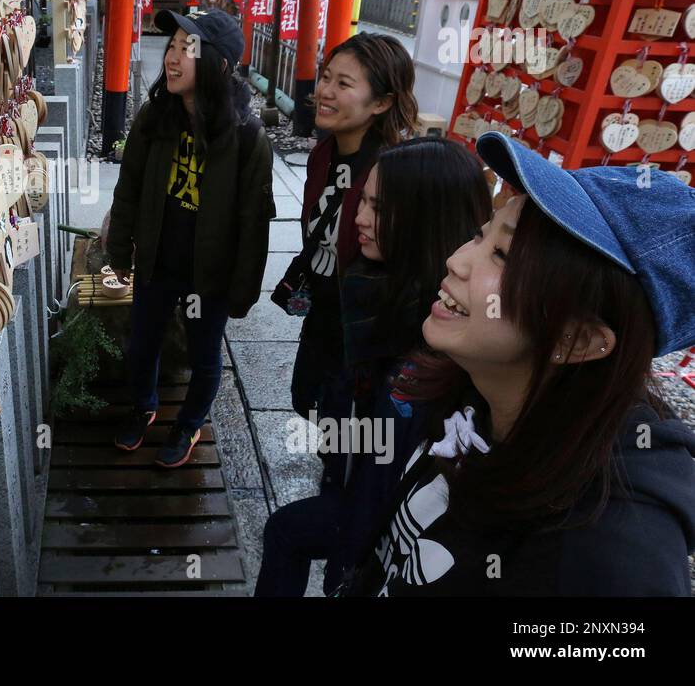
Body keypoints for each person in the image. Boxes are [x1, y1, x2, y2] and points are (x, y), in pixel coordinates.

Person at [341, 131, 695, 596]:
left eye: (503, 255)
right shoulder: (475, 395)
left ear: (581, 339)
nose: (456, 261)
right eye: (480, 236)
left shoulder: (611, 554)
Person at [255, 137, 492, 596]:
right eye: (361, 200)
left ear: (429, 219)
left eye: (378, 208)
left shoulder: (440, 336)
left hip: (377, 514)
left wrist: (351, 563)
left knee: (287, 530)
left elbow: (390, 474)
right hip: (349, 473)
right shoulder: (373, 285)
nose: (360, 219)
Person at [107, 8, 276, 468]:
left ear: (219, 65)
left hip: (211, 272)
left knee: (205, 354)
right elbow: (130, 188)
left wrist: (243, 289)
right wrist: (119, 249)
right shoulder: (154, 116)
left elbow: (254, 221)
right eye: (173, 46)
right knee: (142, 343)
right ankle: (144, 405)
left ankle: (190, 420)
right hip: (160, 257)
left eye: (188, 48)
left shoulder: (246, 133)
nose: (173, 58)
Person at [277, 34, 418, 422]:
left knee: (348, 428)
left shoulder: (392, 173)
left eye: (343, 84)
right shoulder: (325, 152)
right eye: (326, 77)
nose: (325, 91)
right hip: (321, 317)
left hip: (362, 331)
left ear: (382, 102)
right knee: (309, 404)